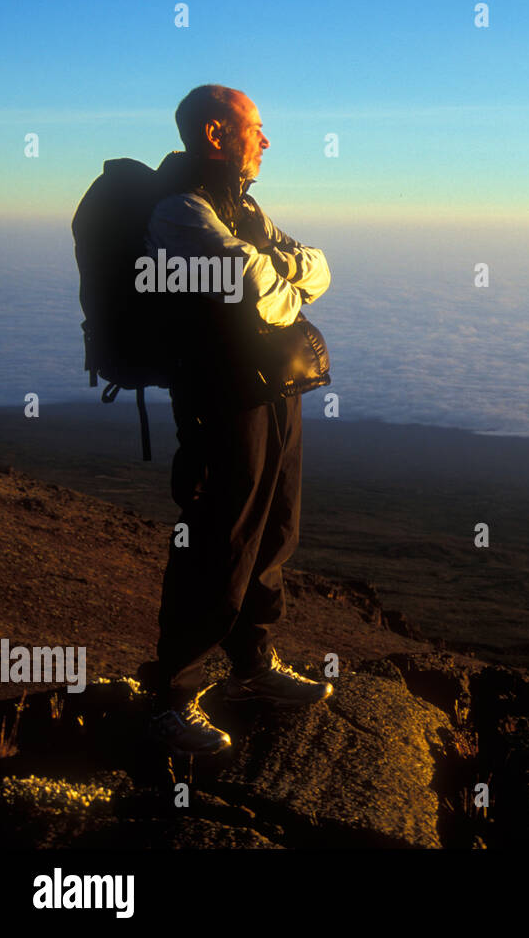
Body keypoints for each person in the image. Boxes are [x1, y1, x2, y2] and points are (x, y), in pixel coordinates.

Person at [140, 84, 333, 755]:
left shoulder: (241, 208)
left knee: (277, 527)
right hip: (219, 399)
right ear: (217, 134)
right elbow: (255, 292)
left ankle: (253, 664)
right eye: (257, 127)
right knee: (220, 537)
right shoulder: (180, 211)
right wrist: (278, 273)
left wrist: (275, 267)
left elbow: (318, 269)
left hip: (276, 391)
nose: (267, 139)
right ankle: (170, 695)